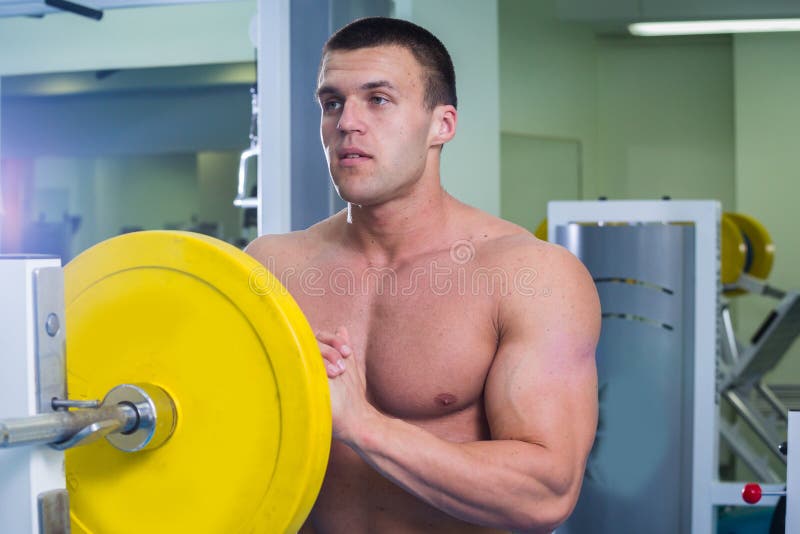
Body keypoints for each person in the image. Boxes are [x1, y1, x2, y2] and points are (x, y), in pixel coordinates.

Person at [246, 17, 600, 534]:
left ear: (443, 124)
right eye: (332, 103)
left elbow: (545, 494)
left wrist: (361, 426)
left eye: (379, 99)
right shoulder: (272, 267)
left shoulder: (529, 274)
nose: (347, 122)